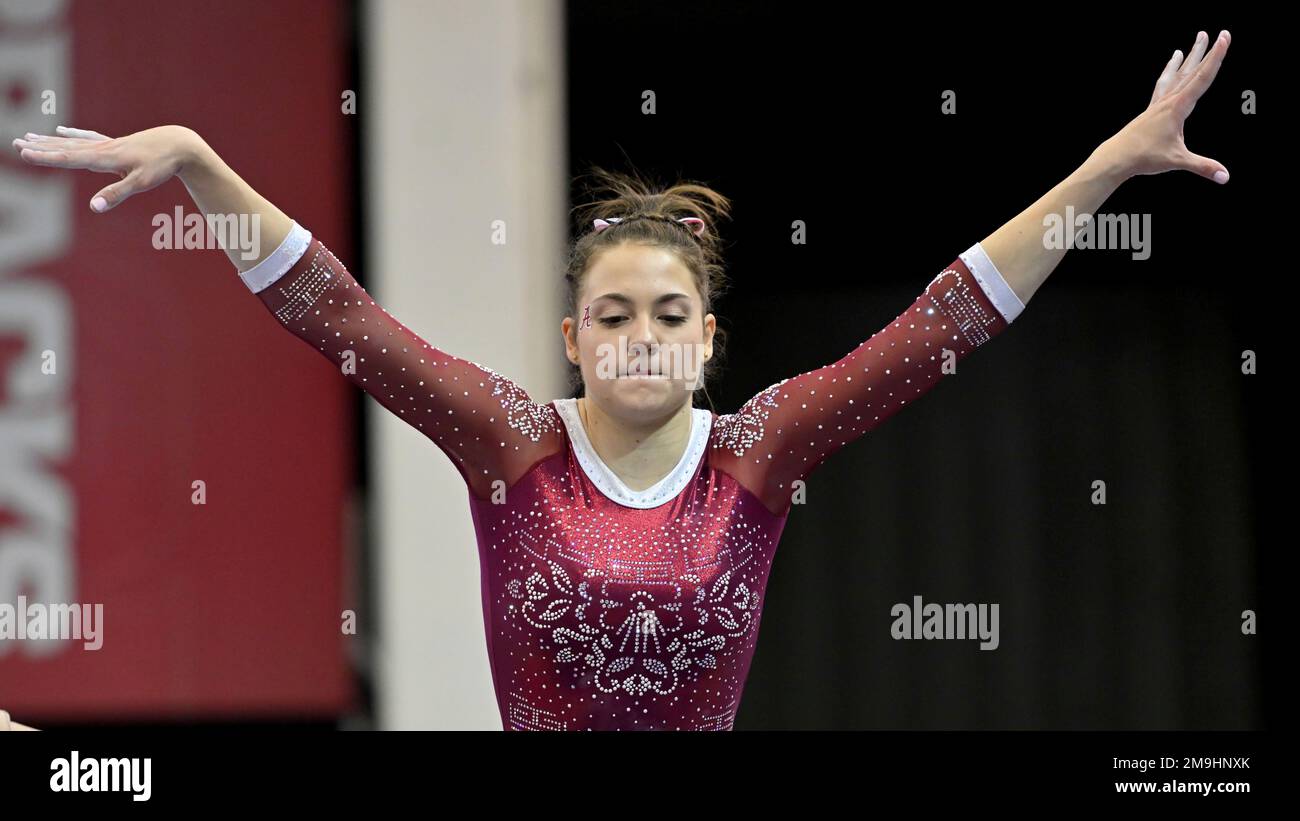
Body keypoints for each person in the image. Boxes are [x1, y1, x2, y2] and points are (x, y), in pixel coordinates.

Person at [7, 30, 1230, 731]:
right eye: (613, 314)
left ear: (706, 341)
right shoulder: (509, 440)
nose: (641, 337)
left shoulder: (758, 450)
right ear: (573, 337)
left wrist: (1105, 169)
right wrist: (203, 161)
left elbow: (941, 323)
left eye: (669, 314)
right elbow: (336, 313)